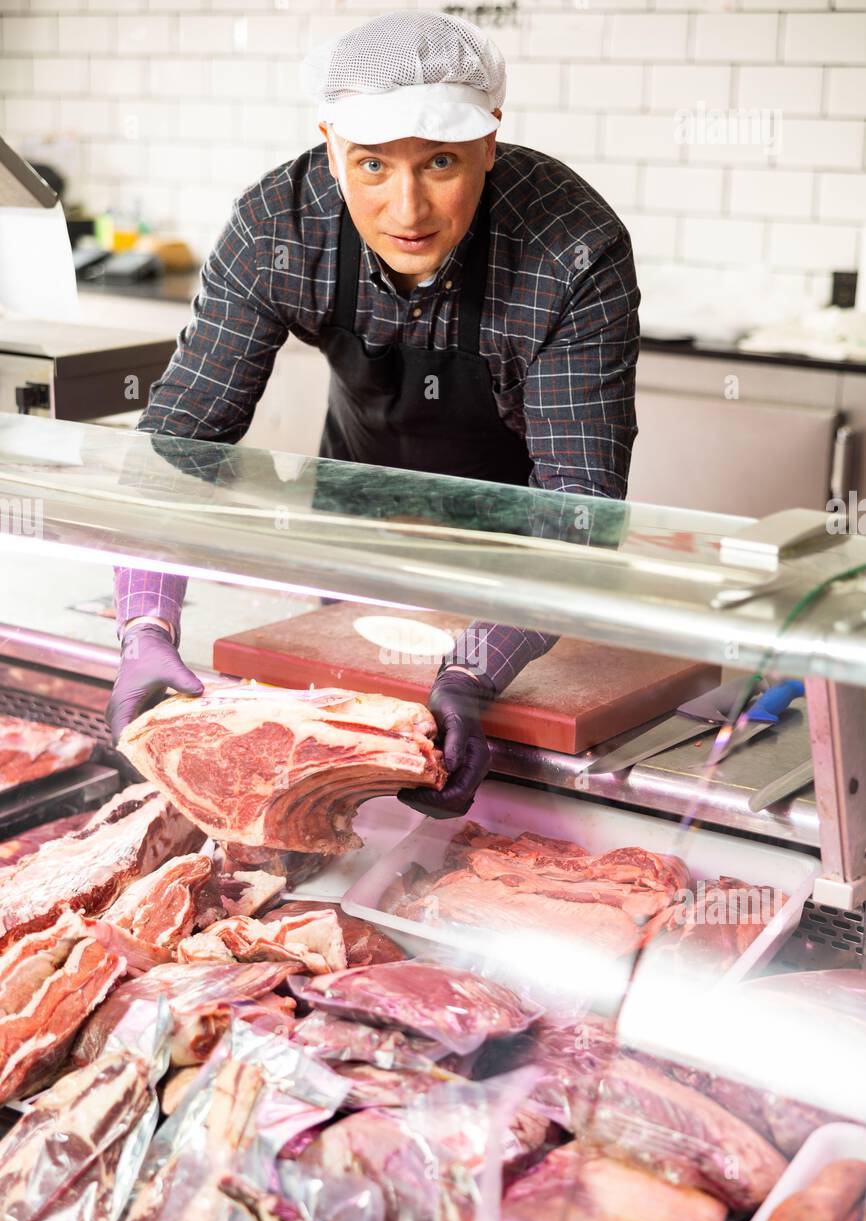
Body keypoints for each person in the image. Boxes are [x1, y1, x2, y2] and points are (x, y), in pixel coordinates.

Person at [108, 9, 640, 818]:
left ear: (491, 141)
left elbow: (577, 507)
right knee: (346, 787)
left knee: (502, 805)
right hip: (352, 536)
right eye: (371, 166)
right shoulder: (278, 228)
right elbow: (179, 442)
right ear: (329, 145)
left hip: (519, 567)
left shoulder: (573, 246)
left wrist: (472, 674)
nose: (408, 208)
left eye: (440, 162)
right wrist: (145, 625)